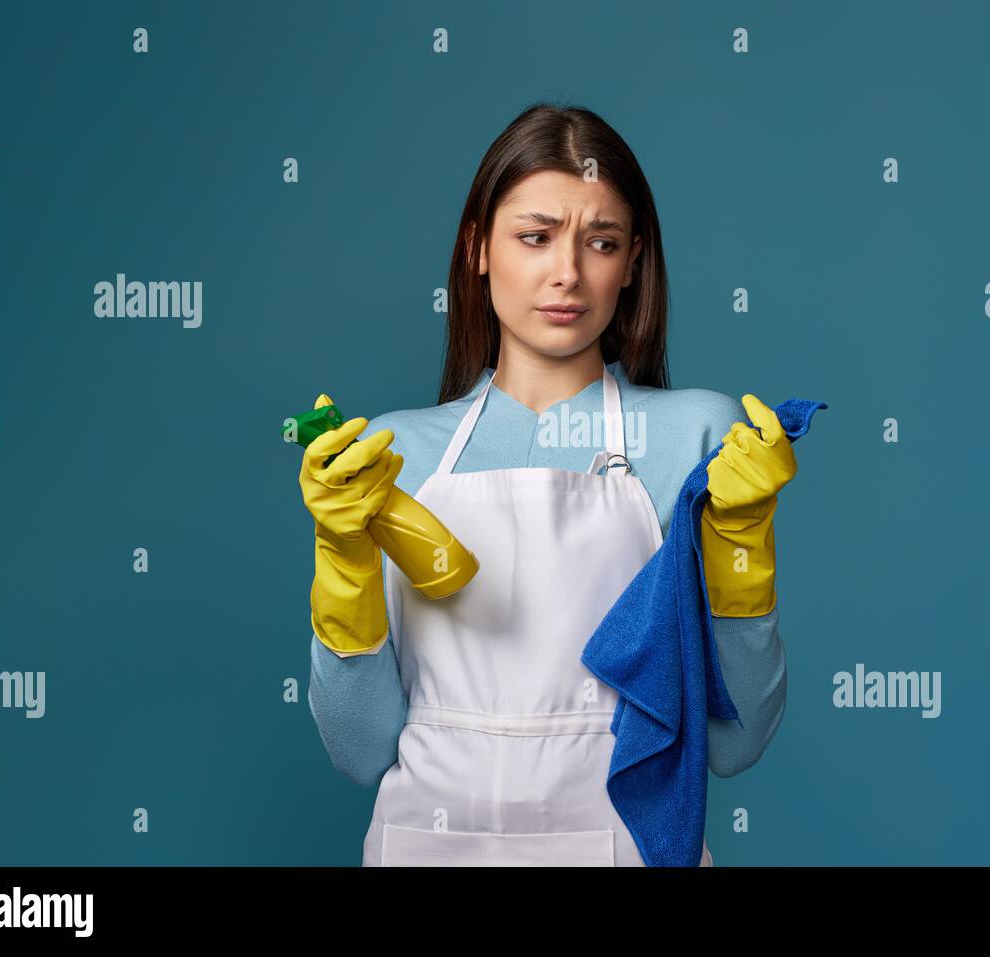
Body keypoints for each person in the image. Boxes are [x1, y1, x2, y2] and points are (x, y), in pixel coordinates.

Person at [301, 103, 798, 866]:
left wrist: (741, 548)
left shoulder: (698, 438)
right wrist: (342, 557)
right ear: (478, 247)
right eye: (534, 237)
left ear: (632, 262)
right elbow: (359, 749)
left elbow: (735, 743)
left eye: (601, 242)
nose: (567, 272)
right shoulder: (391, 457)